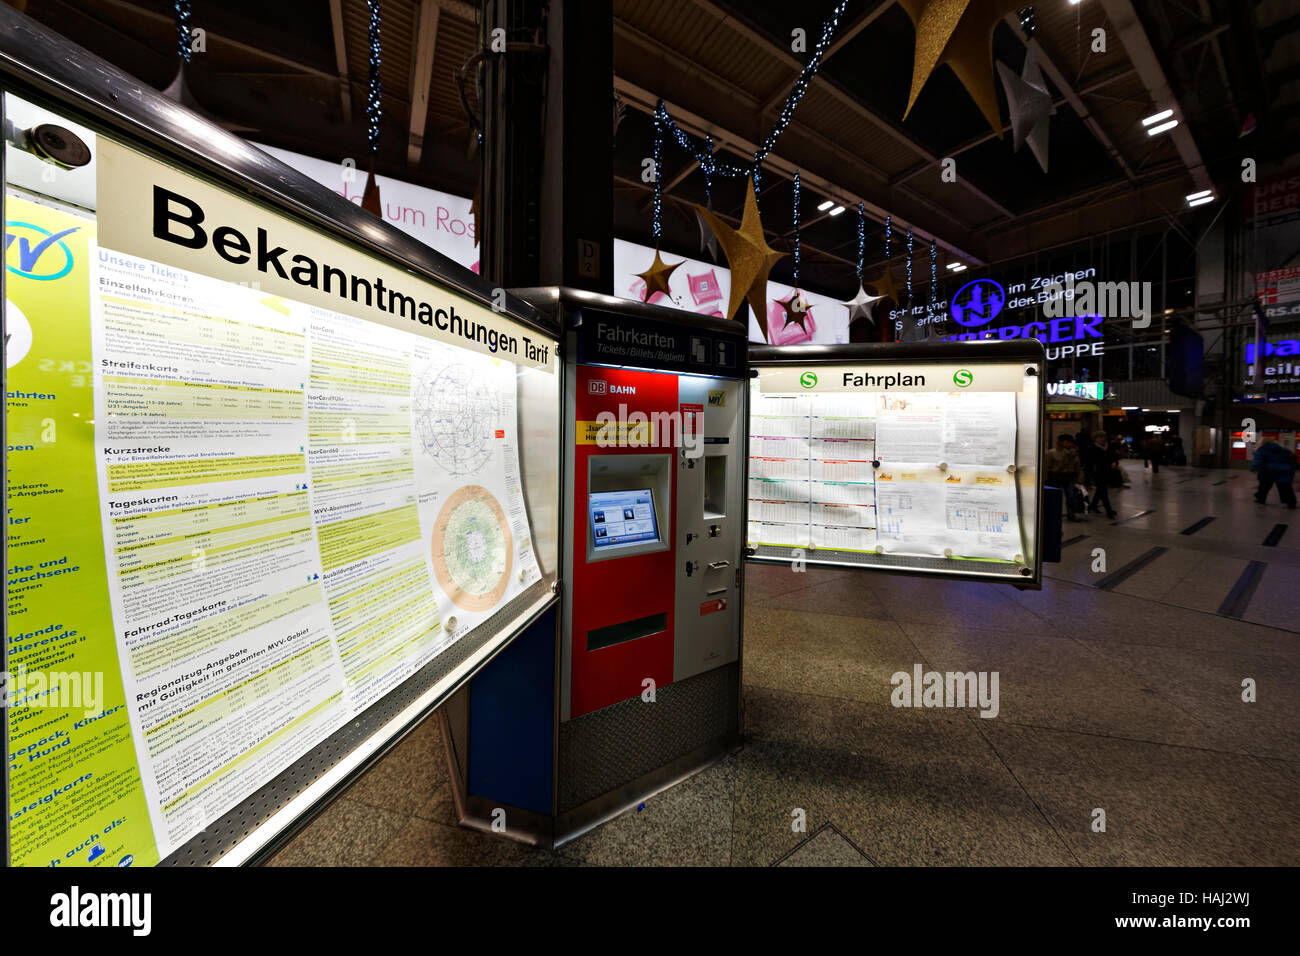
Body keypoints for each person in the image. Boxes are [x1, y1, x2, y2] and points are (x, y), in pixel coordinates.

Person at [1046, 435, 1085, 522]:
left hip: (1070, 477)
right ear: (1060, 442)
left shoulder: (1073, 453)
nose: (1069, 444)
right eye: (1067, 442)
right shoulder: (1052, 453)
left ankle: (1071, 514)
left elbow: (1078, 467)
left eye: (1070, 442)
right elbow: (1048, 467)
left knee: (1071, 497)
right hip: (1057, 477)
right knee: (1055, 498)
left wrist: (1080, 477)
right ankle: (1054, 515)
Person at [1252, 438, 1297, 509]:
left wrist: (1254, 468)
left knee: (1264, 486)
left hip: (1268, 471)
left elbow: (1258, 460)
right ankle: (1291, 503)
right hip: (1284, 470)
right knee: (1285, 487)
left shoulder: (1261, 450)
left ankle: (1261, 499)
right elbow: (1291, 458)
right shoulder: (1282, 449)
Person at [1082, 431, 1118, 518]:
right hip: (1097, 473)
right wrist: (1088, 474)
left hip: (1107, 471)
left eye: (1103, 436)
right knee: (1103, 491)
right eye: (1100, 437)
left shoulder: (1108, 447)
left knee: (1100, 490)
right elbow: (1088, 462)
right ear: (1095, 438)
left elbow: (1114, 457)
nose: (1102, 438)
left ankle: (1093, 505)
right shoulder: (1091, 448)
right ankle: (1109, 510)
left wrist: (1114, 462)